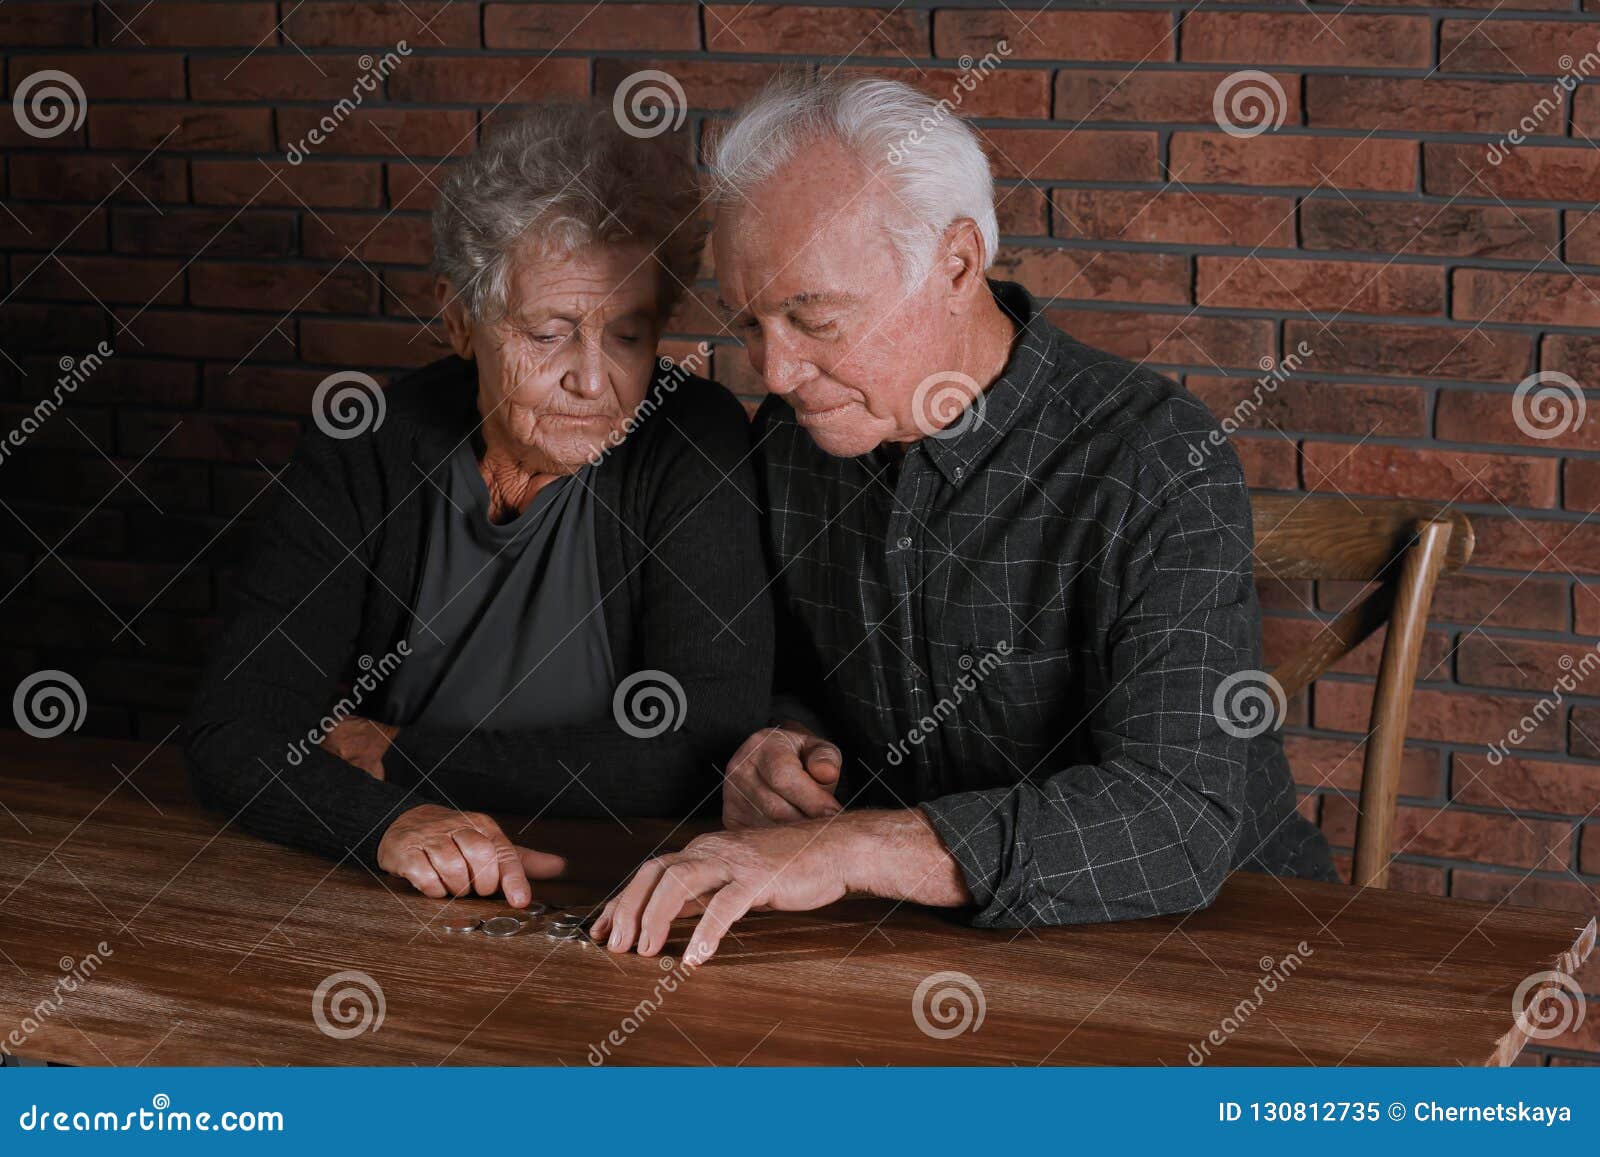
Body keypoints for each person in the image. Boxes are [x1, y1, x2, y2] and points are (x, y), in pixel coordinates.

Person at [591, 73, 1337, 963]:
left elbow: (1176, 819)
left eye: (813, 318)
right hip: (921, 948)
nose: (775, 371)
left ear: (955, 264)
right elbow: (792, 671)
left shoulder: (1154, 456)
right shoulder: (794, 441)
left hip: (1218, 945)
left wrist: (850, 846)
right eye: (750, 322)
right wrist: (782, 745)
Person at [184, 101, 773, 909]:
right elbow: (236, 730)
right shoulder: (369, 445)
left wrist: (398, 753)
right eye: (549, 333)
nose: (594, 380)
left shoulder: (691, 440)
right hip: (388, 886)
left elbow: (697, 742)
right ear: (461, 320)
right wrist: (386, 821)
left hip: (619, 898)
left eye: (629, 335)